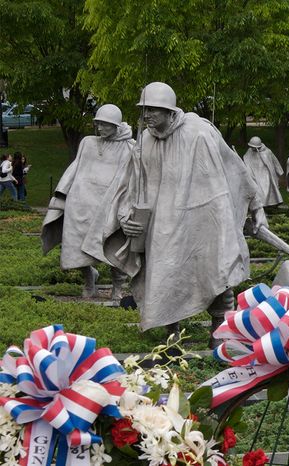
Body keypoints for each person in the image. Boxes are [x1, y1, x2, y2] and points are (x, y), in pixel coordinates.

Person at [96, 82, 267, 347]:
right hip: (162, 226)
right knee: (163, 277)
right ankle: (171, 337)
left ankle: (219, 334)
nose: (147, 116)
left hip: (205, 219)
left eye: (153, 109)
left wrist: (257, 207)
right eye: (144, 110)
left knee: (216, 273)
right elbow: (131, 184)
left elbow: (235, 169)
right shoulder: (146, 141)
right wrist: (125, 216)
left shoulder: (200, 132)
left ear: (169, 110)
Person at [41, 104, 134, 299]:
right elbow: (75, 167)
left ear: (116, 125)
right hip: (80, 203)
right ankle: (89, 280)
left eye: (104, 124)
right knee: (76, 246)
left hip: (109, 206)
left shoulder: (130, 147)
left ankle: (118, 286)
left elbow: (130, 179)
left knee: (113, 246)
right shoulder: (88, 142)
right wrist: (61, 194)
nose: (100, 128)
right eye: (98, 124)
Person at [242, 136, 284, 207]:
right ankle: (258, 206)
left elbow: (275, 162)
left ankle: (265, 206)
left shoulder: (267, 152)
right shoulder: (249, 151)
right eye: (251, 146)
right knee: (255, 190)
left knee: (265, 191)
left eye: (253, 147)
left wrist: (279, 171)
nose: (252, 148)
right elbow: (246, 159)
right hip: (253, 174)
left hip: (265, 174)